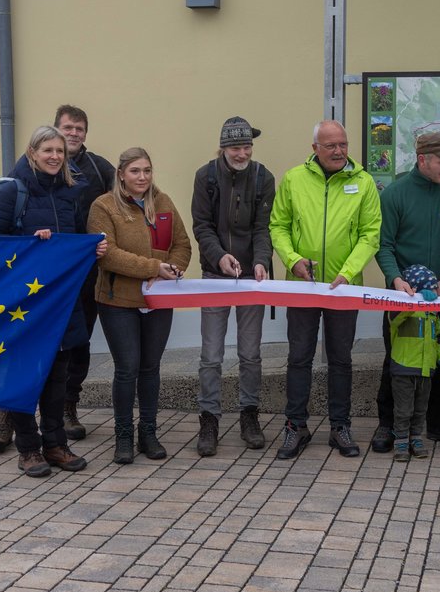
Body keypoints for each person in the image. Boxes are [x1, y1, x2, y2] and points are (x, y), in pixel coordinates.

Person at [0, 126, 104, 478]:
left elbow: (76, 239)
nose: (54, 157)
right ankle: (28, 448)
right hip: (22, 301)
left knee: (57, 376)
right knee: (23, 374)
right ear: (33, 152)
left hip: (60, 299)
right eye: (47, 150)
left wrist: (94, 249)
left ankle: (55, 444)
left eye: (60, 152)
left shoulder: (70, 192)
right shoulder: (11, 190)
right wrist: (29, 243)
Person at [269, 120, 381, 460]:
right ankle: (295, 426)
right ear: (315, 147)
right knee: (299, 357)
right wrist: (292, 260)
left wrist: (348, 273)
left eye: (343, 144)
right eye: (331, 145)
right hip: (302, 286)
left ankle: (340, 426)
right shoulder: (293, 179)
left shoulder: (363, 182)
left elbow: (370, 233)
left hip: (343, 289)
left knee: (341, 359)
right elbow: (279, 226)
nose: (339, 151)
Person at [89, 147, 192, 465]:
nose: (142, 177)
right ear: (121, 173)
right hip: (118, 301)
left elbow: (182, 244)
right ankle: (123, 435)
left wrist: (172, 268)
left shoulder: (163, 203)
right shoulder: (103, 206)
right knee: (127, 368)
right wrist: (153, 268)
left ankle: (148, 432)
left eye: (147, 170)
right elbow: (109, 254)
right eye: (135, 171)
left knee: (150, 368)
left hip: (158, 299)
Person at [372, 131, 440, 453]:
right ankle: (388, 424)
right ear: (422, 159)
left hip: (439, 296)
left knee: (439, 353)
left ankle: (439, 422)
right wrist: (396, 280)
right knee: (396, 361)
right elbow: (383, 245)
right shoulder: (395, 194)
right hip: (403, 299)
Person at [190, 116, 276, 456]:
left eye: (247, 147)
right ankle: (209, 418)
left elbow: (263, 228)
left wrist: (261, 261)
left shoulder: (263, 177)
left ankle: (249, 414)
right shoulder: (206, 176)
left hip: (251, 279)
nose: (242, 153)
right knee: (211, 355)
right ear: (223, 148)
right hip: (215, 275)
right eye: (236, 147)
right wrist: (220, 257)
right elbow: (202, 225)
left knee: (250, 353)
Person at [55, 105, 116, 441]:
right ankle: (12, 414)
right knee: (36, 340)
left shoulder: (99, 168)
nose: (74, 133)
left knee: (78, 342)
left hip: (88, 274)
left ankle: (68, 407)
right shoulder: (38, 166)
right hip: (45, 276)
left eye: (80, 128)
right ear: (55, 129)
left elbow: (126, 202)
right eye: (68, 127)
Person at [386, 264, 440, 462]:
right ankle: (401, 440)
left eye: (432, 289)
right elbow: (395, 321)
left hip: (425, 370)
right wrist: (414, 302)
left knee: (420, 408)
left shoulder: (432, 314)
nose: (432, 293)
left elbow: (436, 338)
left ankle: (416, 438)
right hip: (404, 368)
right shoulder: (399, 309)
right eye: (429, 289)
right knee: (404, 409)